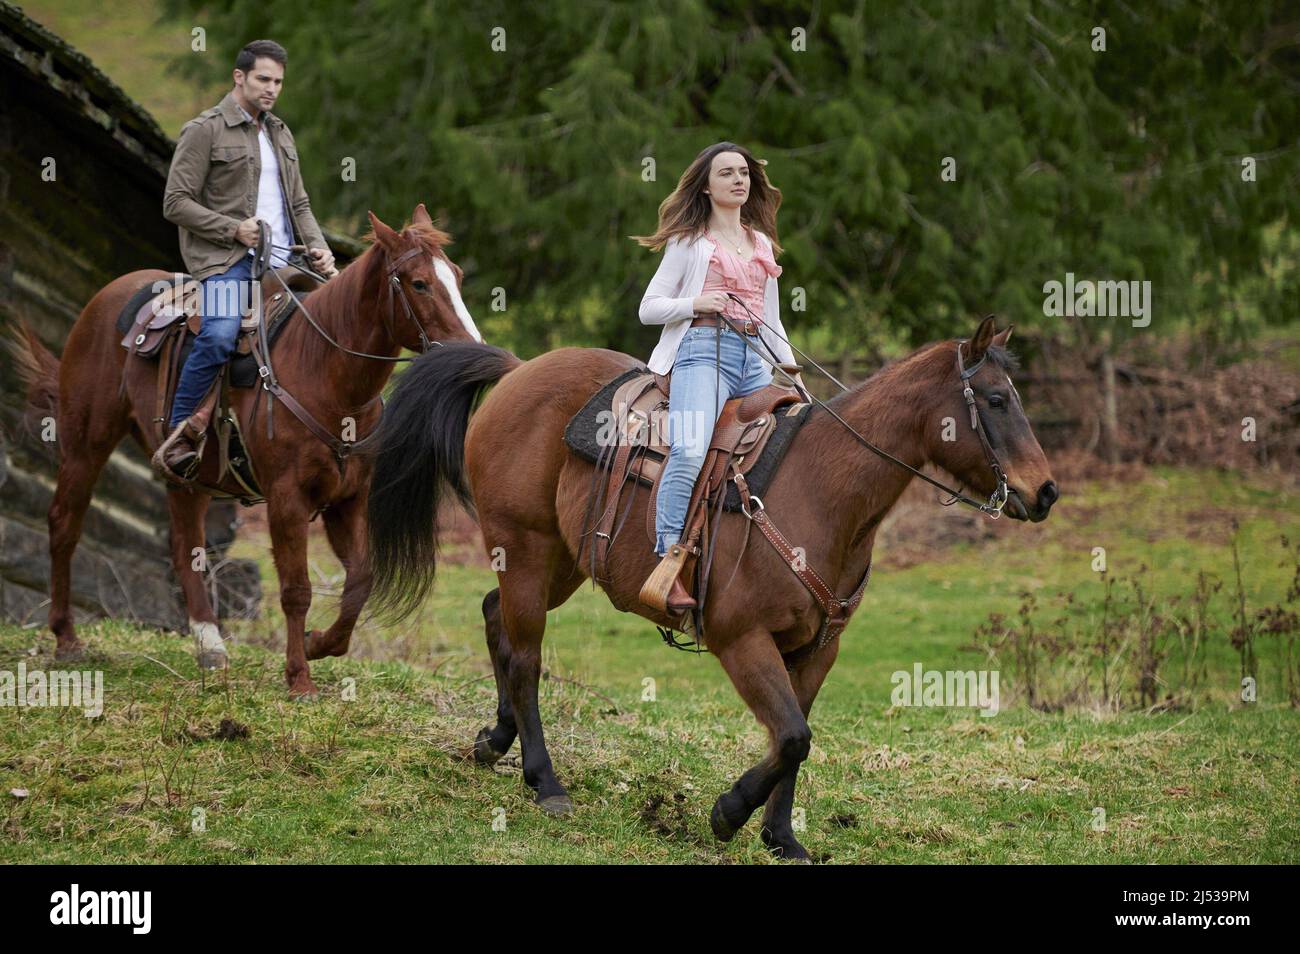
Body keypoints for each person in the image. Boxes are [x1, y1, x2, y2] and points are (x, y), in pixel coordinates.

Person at [633, 142, 805, 612]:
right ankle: (666, 565)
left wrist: (789, 372)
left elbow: (772, 320)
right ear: (706, 187)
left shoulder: (762, 244)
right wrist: (696, 304)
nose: (738, 180)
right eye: (726, 173)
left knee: (795, 443)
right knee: (689, 451)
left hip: (753, 359)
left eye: (744, 172)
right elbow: (648, 309)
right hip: (700, 354)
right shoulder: (689, 243)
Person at [153, 39, 336, 480]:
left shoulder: (280, 133)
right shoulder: (205, 130)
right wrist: (233, 228)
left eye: (278, 82)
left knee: (343, 324)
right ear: (240, 77)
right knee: (218, 334)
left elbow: (301, 202)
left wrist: (319, 247)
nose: (272, 89)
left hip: (287, 260)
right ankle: (181, 437)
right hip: (225, 262)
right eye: (263, 79)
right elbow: (175, 202)